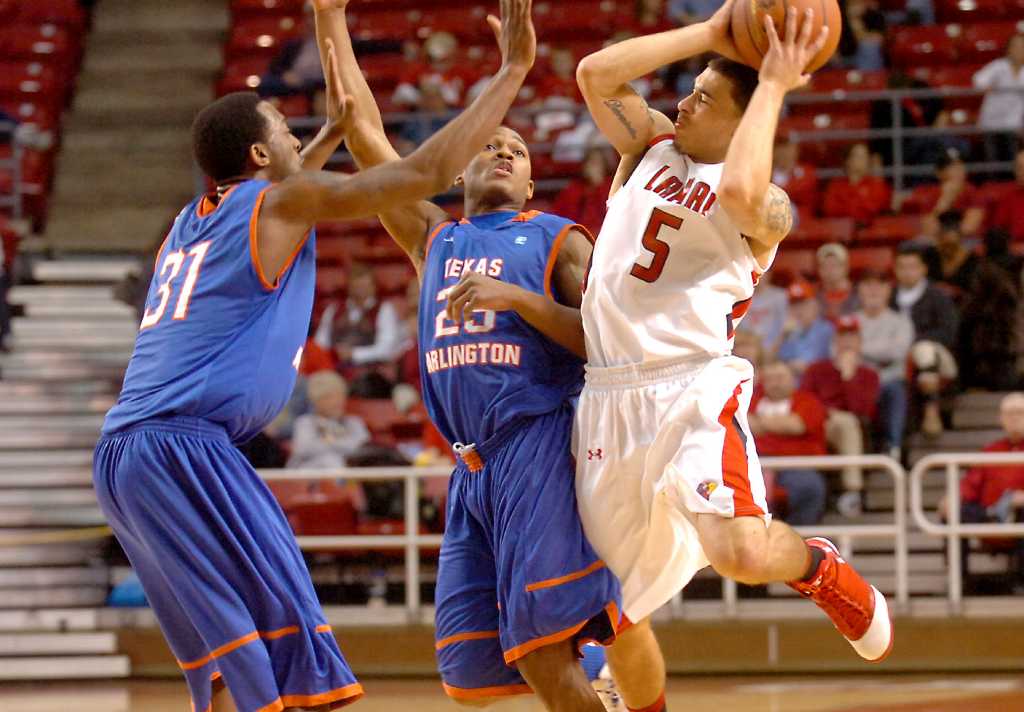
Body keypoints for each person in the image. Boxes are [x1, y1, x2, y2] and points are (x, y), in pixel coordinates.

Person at [91, 0, 539, 709]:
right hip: (183, 448)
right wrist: (513, 70)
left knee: (249, 659)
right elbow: (427, 171)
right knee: (285, 649)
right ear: (264, 157)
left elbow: (278, 199)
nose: (299, 135)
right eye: (284, 132)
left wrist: (327, 123)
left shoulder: (190, 218)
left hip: (126, 455)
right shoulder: (280, 202)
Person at [574, 5, 894, 711]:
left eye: (706, 99)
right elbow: (595, 74)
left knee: (742, 554)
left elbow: (744, 189)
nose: (684, 103)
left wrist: (774, 83)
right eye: (689, 90)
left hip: (689, 390)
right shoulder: (650, 147)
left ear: (742, 121)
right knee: (608, 605)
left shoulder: (765, 208)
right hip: (602, 399)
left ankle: (818, 567)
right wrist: (713, 35)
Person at [326, 3, 622, 710]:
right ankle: (595, 672)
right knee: (470, 682)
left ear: (528, 184)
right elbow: (362, 132)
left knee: (539, 655)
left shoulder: (558, 237)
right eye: (490, 144)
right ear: (459, 174)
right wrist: (328, 18)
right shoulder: (434, 236)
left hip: (536, 446)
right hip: (469, 466)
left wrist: (517, 301)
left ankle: (586, 666)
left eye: (516, 150)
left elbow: (606, 344)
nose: (501, 151)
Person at [938, 392, 1024, 593]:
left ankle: (1021, 581)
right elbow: (970, 484)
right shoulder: (991, 451)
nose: (1014, 418)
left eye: (1020, 412)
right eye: (1009, 413)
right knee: (954, 512)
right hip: (989, 515)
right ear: (1001, 419)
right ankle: (957, 581)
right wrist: (953, 498)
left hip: (1018, 515)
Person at [801, 316, 881, 517]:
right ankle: (853, 490)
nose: (846, 343)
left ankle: (852, 490)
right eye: (842, 337)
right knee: (843, 421)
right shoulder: (817, 369)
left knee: (848, 422)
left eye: (852, 337)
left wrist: (848, 378)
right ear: (834, 341)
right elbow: (804, 402)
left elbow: (864, 411)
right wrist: (827, 413)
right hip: (819, 422)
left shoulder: (868, 374)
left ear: (860, 342)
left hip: (851, 427)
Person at [748, 360, 828, 526]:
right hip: (753, 462)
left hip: (795, 464)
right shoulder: (751, 400)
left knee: (810, 487)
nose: (775, 383)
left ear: (793, 379)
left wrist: (759, 423)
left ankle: (799, 538)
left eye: (780, 377)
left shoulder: (807, 400)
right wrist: (779, 424)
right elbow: (740, 423)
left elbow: (796, 425)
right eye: (770, 379)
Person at [892, 242, 959, 437]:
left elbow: (948, 333)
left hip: (938, 359)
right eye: (902, 267)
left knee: (924, 350)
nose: (907, 272)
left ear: (924, 269)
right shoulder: (890, 296)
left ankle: (932, 412)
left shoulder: (938, 296)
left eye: (912, 267)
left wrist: (910, 343)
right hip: (898, 356)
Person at [854, 269, 913, 459]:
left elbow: (897, 352)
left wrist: (860, 349)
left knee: (895, 390)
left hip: (888, 381)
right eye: (868, 285)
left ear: (889, 290)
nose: (873, 290)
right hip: (856, 383)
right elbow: (839, 353)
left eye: (879, 285)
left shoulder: (900, 321)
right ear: (859, 290)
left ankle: (893, 447)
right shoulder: (851, 321)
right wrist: (881, 354)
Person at [287, 371, 371, 470]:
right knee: (330, 460)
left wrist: (328, 443)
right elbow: (303, 448)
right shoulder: (305, 422)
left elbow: (362, 448)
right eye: (329, 398)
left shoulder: (354, 422)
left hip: (347, 474)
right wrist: (341, 445)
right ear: (316, 401)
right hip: (308, 474)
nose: (337, 402)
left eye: (339, 396)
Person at [973, 33, 1024, 167]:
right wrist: (987, 86)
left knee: (1013, 160)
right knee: (992, 160)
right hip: (991, 122)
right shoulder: (998, 67)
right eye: (1016, 46)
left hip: (1013, 123)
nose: (1019, 50)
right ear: (1008, 49)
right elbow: (978, 80)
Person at [551, 145, 616, 236]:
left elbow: (612, 216)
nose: (593, 167)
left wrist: (598, 184)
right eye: (591, 162)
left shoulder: (612, 186)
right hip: (577, 236)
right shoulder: (572, 189)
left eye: (597, 163)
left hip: (606, 236)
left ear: (604, 166)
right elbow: (559, 217)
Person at [821, 142, 891, 226]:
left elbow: (875, 209)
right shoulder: (835, 186)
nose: (863, 160)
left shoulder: (877, 185)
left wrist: (848, 205)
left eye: (865, 157)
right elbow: (830, 209)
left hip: (871, 232)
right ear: (848, 160)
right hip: (841, 230)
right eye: (858, 156)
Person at [777, 280, 835, 375]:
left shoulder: (826, 329)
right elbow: (774, 361)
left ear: (814, 305)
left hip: (817, 383)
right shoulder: (789, 332)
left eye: (803, 304)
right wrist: (782, 336)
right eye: (794, 305)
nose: (798, 310)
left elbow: (812, 364)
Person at [771, 136, 817, 218]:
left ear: (796, 150)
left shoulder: (807, 172)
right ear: (774, 151)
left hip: (803, 223)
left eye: (789, 148)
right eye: (781, 148)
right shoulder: (766, 175)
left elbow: (806, 196)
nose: (785, 153)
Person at [816, 243, 859, 319]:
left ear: (846, 267)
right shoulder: (813, 297)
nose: (830, 270)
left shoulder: (859, 294)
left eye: (834, 265)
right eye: (825, 265)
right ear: (819, 270)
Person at [990, 148, 1024, 242]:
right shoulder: (1008, 196)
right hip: (1013, 251)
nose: (1021, 173)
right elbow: (999, 231)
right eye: (1019, 168)